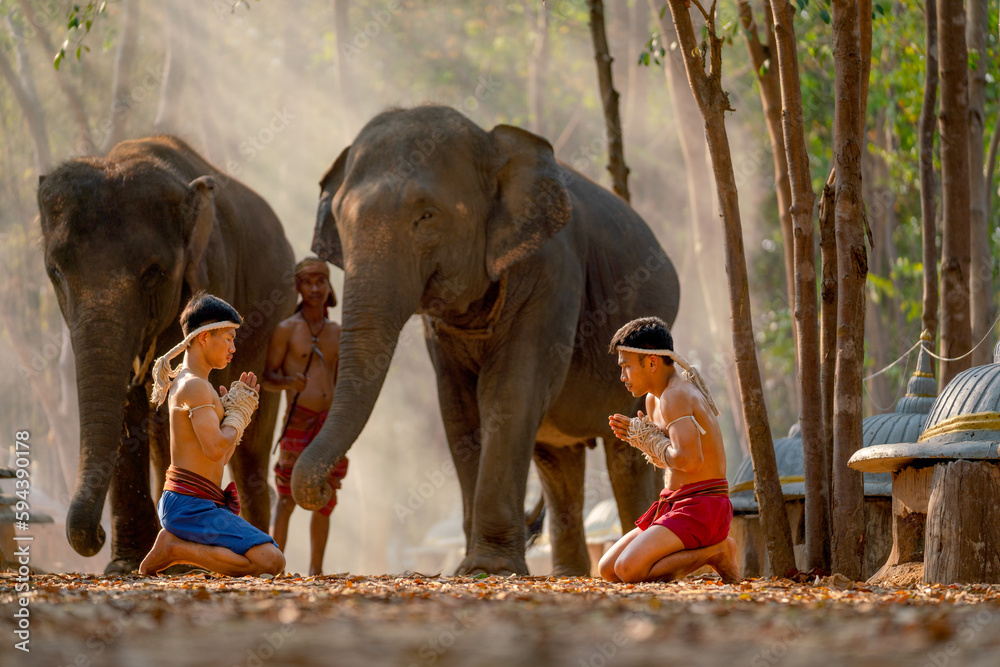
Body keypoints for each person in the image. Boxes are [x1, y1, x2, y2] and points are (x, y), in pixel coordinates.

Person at [139, 293, 285, 577]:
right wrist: (238, 418)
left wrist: (235, 418)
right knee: (272, 561)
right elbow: (216, 449)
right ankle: (175, 549)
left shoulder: (197, 384)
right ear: (205, 337)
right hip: (188, 505)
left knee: (271, 560)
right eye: (228, 338)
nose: (233, 347)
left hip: (198, 503)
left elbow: (220, 458)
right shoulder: (194, 386)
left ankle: (174, 545)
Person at [599, 317, 740, 584]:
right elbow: (670, 461)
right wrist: (644, 441)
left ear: (652, 363)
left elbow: (690, 461)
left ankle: (718, 552)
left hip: (703, 508)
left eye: (626, 366)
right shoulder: (653, 400)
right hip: (673, 504)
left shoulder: (675, 395)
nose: (622, 377)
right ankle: (709, 551)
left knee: (628, 570)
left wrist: (650, 441)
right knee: (608, 568)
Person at [263, 257, 346, 576]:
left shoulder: (337, 332)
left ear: (329, 287)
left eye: (320, 282)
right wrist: (288, 382)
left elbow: (343, 380)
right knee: (287, 497)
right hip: (298, 419)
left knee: (324, 496)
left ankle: (316, 571)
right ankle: (274, 567)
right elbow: (267, 376)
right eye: (308, 283)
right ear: (299, 288)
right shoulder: (286, 329)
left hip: (329, 424)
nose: (314, 289)